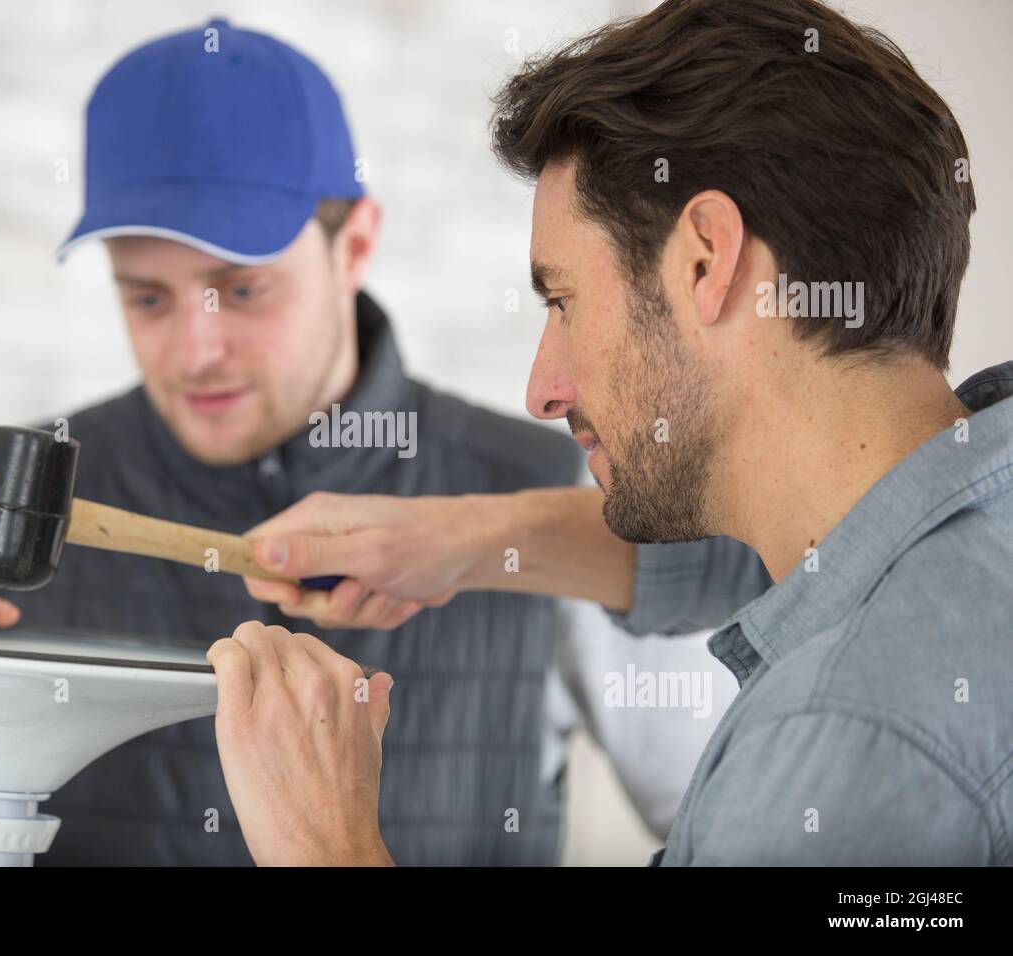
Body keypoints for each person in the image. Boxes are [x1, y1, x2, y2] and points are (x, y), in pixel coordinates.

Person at [0, 18, 715, 866]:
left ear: (355, 246)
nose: (196, 348)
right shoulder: (4, 494)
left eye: (244, 288)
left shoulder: (556, 495)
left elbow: (732, 825)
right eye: (147, 297)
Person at [206, 0, 1013, 865]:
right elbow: (796, 559)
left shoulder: (838, 736)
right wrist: (468, 540)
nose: (541, 391)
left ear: (707, 260)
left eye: (563, 302)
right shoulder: (970, 511)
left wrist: (323, 844)